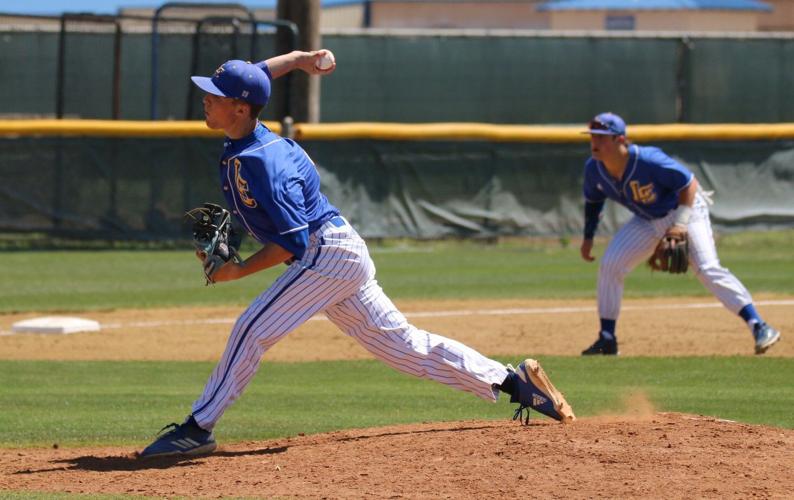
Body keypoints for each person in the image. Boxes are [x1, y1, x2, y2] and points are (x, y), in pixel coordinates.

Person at [139, 51, 574, 458]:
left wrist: (237, 271)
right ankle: (515, 384)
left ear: (239, 108)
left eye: (215, 96)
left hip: (324, 254)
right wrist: (302, 59)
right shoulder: (248, 126)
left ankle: (198, 427)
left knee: (251, 329)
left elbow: (293, 242)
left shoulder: (263, 164)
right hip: (340, 252)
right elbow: (261, 75)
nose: (206, 99)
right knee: (405, 347)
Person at [579, 112, 781, 356]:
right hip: (647, 219)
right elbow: (594, 201)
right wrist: (588, 238)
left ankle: (759, 325)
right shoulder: (594, 169)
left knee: (707, 268)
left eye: (602, 137)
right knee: (611, 264)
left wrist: (680, 224)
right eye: (593, 136)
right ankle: (607, 339)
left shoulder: (648, 160)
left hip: (685, 209)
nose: (595, 142)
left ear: (620, 139)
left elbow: (689, 184)